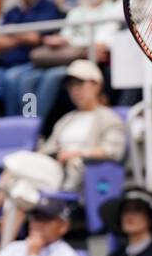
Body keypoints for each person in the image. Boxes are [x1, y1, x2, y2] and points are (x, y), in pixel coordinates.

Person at [30, 0, 123, 120]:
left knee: (52, 77)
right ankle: (21, 121)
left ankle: (34, 125)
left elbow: (101, 45)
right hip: (66, 59)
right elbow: (65, 38)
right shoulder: (76, 11)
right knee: (26, 78)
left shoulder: (115, 9)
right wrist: (83, 47)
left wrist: (73, 43)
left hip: (89, 64)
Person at [37, 59, 127, 194]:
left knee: (19, 179)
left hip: (81, 175)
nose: (75, 90)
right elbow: (47, 150)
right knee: (20, 184)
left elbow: (112, 151)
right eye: (71, 85)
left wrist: (76, 153)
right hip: (54, 170)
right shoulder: (66, 119)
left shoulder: (110, 118)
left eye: (80, 83)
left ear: (96, 85)